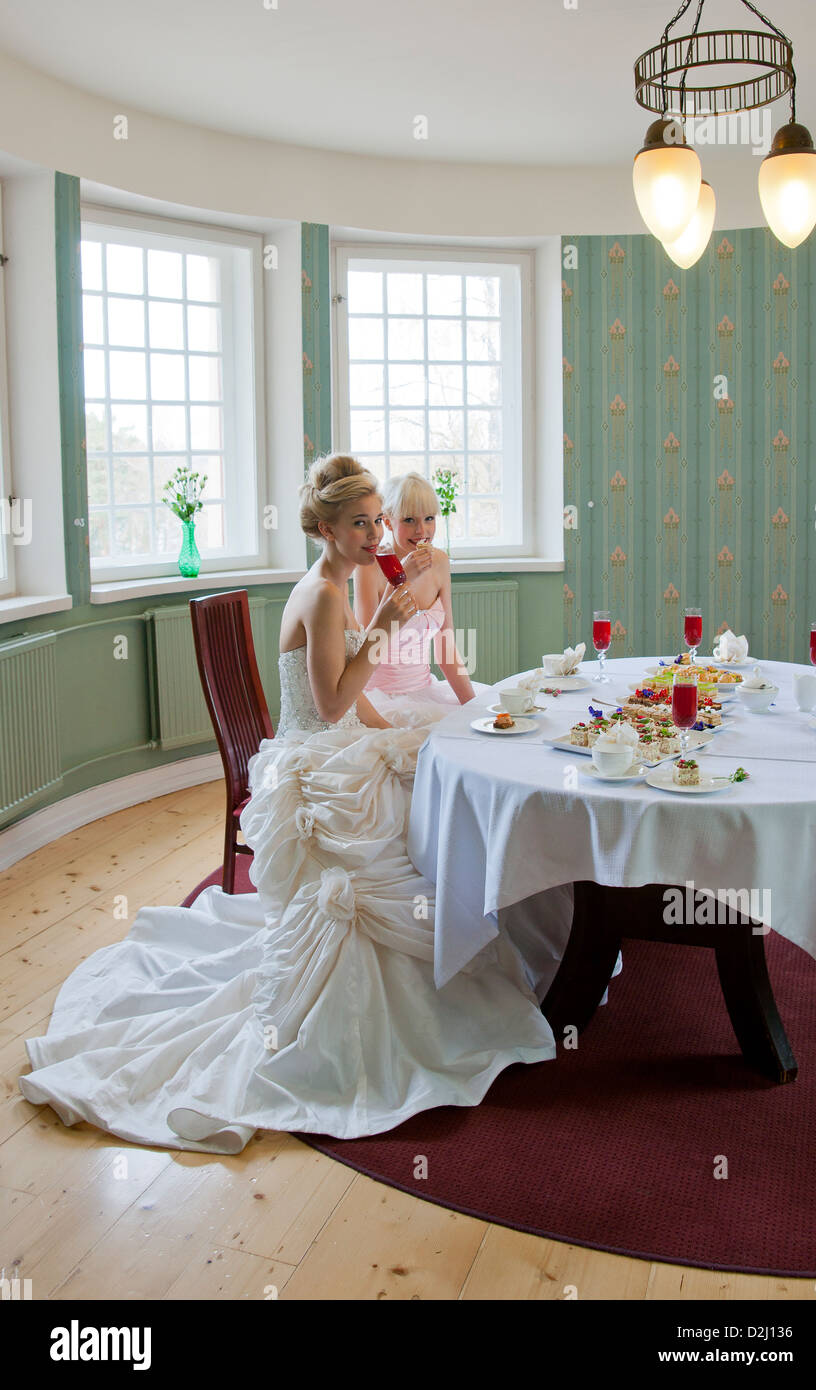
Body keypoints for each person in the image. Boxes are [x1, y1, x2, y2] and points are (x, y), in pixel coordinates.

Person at [18, 454, 558, 1154]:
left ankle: (472, 938)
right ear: (326, 529)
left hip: (333, 739)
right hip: (317, 757)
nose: (375, 535)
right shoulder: (329, 593)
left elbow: (344, 692)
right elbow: (329, 702)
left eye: (375, 521)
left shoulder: (333, 583)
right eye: (359, 524)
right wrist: (391, 628)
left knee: (429, 769)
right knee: (414, 810)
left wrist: (392, 722)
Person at [353, 471, 489, 723]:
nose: (422, 530)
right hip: (379, 701)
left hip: (427, 694)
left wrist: (473, 708)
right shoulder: (368, 566)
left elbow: (445, 646)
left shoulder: (439, 562)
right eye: (409, 520)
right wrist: (402, 577)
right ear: (388, 522)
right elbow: (366, 648)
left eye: (429, 518)